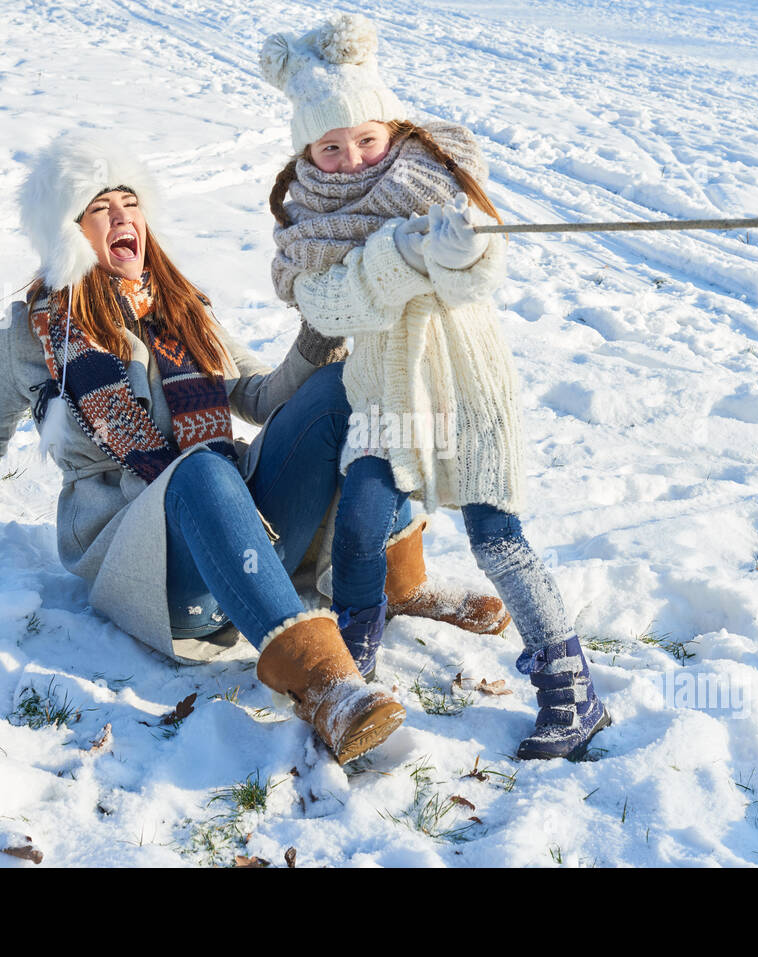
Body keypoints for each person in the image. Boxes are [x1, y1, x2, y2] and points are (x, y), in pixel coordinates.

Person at [0, 132, 407, 765]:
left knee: (334, 390)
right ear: (68, 233)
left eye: (130, 203)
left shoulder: (184, 311)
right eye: (100, 208)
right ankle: (326, 686)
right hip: (161, 574)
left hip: (248, 531)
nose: (123, 218)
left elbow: (261, 399)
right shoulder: (29, 337)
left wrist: (321, 329)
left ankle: (395, 572)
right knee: (201, 473)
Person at [260, 13, 611, 759]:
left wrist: (454, 251)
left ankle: (570, 689)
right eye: (330, 145)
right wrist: (392, 252)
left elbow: (481, 273)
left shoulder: (437, 184)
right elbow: (333, 302)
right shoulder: (310, 225)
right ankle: (353, 687)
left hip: (466, 391)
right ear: (308, 152)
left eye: (366, 138)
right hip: (384, 399)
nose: (352, 158)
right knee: (359, 522)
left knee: (498, 536)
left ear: (391, 127)